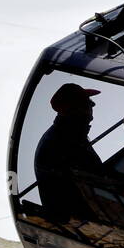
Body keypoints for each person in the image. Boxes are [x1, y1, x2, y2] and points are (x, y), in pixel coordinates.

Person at [34, 82, 104, 225]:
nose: (92, 109)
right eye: (89, 103)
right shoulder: (65, 142)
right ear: (76, 109)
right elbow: (99, 180)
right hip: (79, 224)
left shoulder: (70, 135)